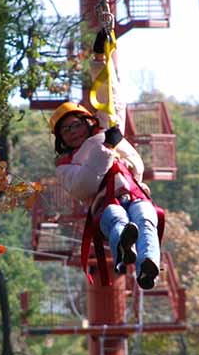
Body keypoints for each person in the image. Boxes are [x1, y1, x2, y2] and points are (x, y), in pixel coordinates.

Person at [51, 101, 161, 290]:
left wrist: (114, 144)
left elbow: (136, 166)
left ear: (88, 123)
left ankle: (147, 265)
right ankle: (123, 248)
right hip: (104, 204)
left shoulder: (107, 138)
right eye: (66, 130)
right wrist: (106, 148)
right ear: (61, 139)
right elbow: (84, 184)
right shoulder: (65, 166)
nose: (73, 132)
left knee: (145, 219)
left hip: (133, 195)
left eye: (76, 125)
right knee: (118, 219)